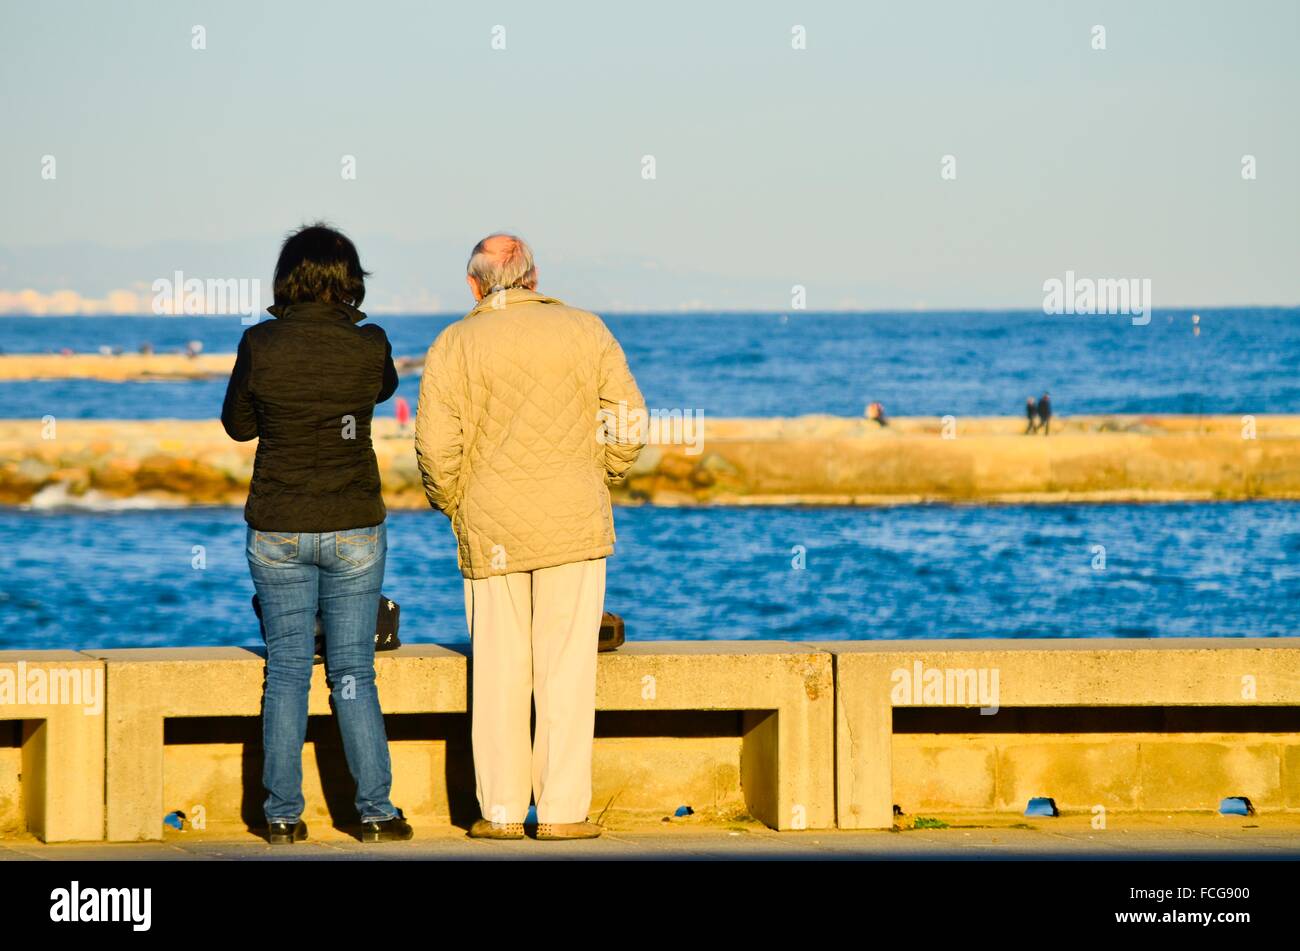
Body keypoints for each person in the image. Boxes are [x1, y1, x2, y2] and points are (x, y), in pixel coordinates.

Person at [415, 233, 646, 841]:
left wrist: (457, 503)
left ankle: (500, 812)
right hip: (574, 519)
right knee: (568, 671)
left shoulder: (453, 343)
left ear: (473, 284)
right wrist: (601, 473)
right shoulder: (586, 329)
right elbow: (628, 420)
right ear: (534, 278)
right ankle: (563, 812)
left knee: (498, 672)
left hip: (491, 525)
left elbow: (435, 448)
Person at [221, 223, 411, 845]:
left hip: (278, 524)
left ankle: (281, 815)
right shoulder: (370, 343)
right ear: (349, 279)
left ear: (287, 278)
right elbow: (383, 388)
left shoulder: (260, 342)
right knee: (353, 669)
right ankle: (376, 813)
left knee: (286, 671)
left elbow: (238, 426)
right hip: (353, 522)